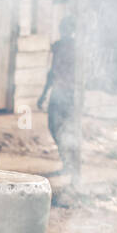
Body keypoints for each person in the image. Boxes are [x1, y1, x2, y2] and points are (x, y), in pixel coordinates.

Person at [37, 16, 80, 176]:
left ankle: (72, 165)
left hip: (70, 93)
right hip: (57, 92)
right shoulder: (58, 46)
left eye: (67, 28)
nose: (64, 32)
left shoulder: (77, 48)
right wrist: (44, 94)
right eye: (63, 28)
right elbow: (52, 72)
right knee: (54, 126)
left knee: (67, 129)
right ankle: (67, 162)